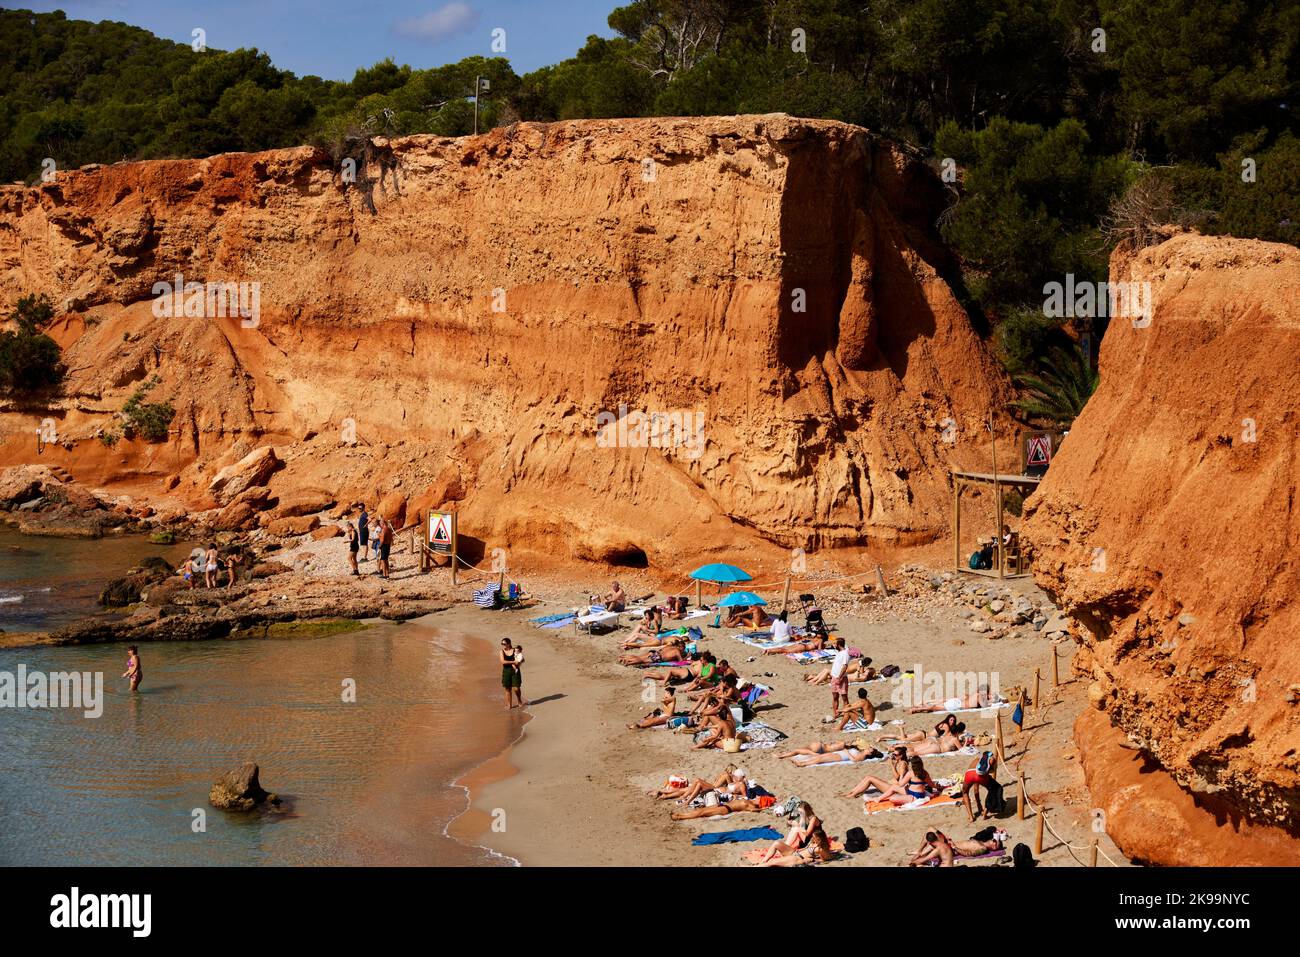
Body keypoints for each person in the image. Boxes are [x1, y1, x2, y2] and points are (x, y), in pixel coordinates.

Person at [753, 802, 833, 866]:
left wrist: (810, 860)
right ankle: (762, 862)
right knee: (776, 843)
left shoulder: (819, 848)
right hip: (794, 852)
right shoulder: (813, 841)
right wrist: (795, 822)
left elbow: (825, 859)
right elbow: (803, 829)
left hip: (797, 858)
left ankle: (758, 865)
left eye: (801, 812)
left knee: (771, 863)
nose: (800, 813)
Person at [962, 750, 999, 822]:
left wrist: (979, 804)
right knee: (992, 790)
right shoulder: (985, 766)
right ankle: (984, 811)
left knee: (965, 792)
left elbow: (976, 790)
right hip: (980, 776)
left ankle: (971, 817)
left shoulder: (977, 760)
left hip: (969, 774)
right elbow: (992, 771)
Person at [910, 684, 999, 713]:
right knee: (934, 708)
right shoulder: (979, 696)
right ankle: (917, 709)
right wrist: (992, 701)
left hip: (956, 701)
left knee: (938, 704)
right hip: (956, 705)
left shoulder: (972, 695)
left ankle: (920, 705)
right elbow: (985, 706)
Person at [805, 656, 875, 685]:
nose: (867, 669)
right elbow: (860, 672)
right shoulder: (860, 668)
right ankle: (814, 680)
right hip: (842, 673)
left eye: (867, 670)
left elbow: (858, 676)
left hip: (842, 675)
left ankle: (813, 679)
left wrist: (862, 670)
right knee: (827, 673)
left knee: (827, 673)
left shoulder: (860, 668)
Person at [829, 637, 851, 715]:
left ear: (839, 645)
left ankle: (847, 714)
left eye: (835, 644)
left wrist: (840, 677)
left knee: (844, 697)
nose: (833, 645)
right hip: (834, 677)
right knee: (835, 697)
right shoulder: (839, 652)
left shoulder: (845, 653)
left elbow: (845, 666)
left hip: (841, 678)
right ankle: (835, 713)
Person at [499, 638, 522, 710]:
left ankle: (519, 700)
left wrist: (518, 663)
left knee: (516, 688)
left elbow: (522, 658)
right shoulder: (501, 651)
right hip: (506, 671)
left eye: (504, 644)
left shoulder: (515, 650)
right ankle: (509, 705)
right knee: (507, 689)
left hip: (515, 671)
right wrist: (513, 662)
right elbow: (503, 662)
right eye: (502, 644)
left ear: (509, 644)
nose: (503, 645)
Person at [376, 515, 394, 579]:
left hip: (384, 545)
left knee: (383, 561)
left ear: (382, 523)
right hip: (388, 545)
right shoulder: (389, 529)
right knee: (386, 560)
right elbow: (391, 538)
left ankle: (384, 574)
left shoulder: (384, 529)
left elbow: (383, 539)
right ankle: (387, 574)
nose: (380, 525)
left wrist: (379, 546)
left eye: (380, 523)